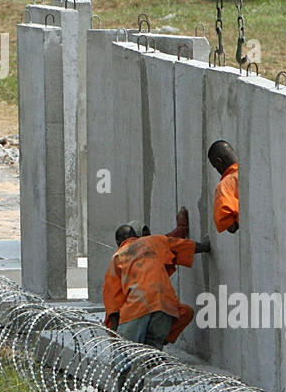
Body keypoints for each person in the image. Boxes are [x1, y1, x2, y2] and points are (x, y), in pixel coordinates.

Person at [103, 208, 210, 348]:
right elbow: (182, 244)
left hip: (137, 306)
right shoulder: (155, 241)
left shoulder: (118, 256)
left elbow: (112, 300)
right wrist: (206, 246)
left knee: (125, 356)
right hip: (165, 306)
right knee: (152, 352)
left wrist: (116, 336)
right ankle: (154, 355)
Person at [209, 139, 240, 233]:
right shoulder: (254, 171)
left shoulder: (225, 186)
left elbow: (231, 227)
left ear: (218, 162)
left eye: (215, 167)